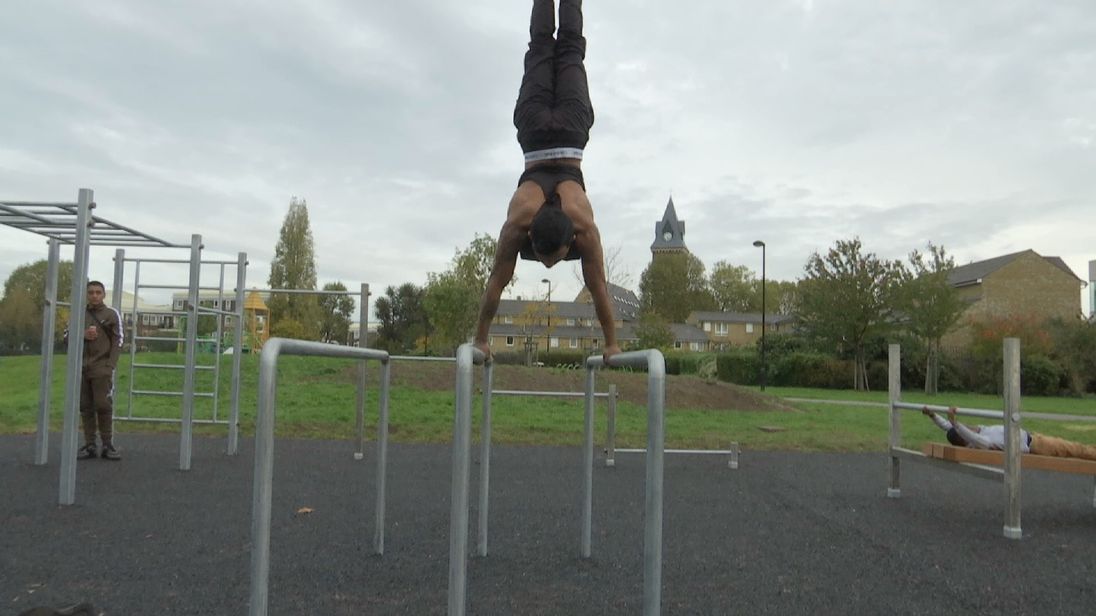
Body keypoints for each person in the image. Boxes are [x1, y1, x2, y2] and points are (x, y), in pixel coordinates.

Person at [473, 0, 620, 362]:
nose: (550, 266)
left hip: (560, 131)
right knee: (559, 46)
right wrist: (611, 342)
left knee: (551, 46)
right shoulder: (574, 226)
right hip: (544, 130)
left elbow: (497, 280)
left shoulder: (535, 224)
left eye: (547, 260)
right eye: (549, 260)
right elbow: (597, 285)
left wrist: (481, 337)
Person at [65, 280, 124, 461]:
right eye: (91, 292)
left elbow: (119, 340)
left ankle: (107, 444)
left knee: (103, 405)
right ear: (87, 294)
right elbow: (66, 338)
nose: (95, 295)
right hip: (81, 367)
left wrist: (110, 365)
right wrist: (82, 335)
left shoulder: (112, 314)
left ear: (104, 294)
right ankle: (90, 444)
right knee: (85, 406)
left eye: (98, 292)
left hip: (102, 367)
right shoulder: (78, 314)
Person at [922, 406, 1096, 462]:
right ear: (964, 437)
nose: (970, 426)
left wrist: (931, 415)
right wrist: (956, 423)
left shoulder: (979, 431)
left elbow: (947, 427)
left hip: (1032, 436)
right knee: (1077, 450)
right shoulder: (980, 442)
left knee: (1079, 448)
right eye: (965, 428)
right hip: (1035, 445)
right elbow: (964, 433)